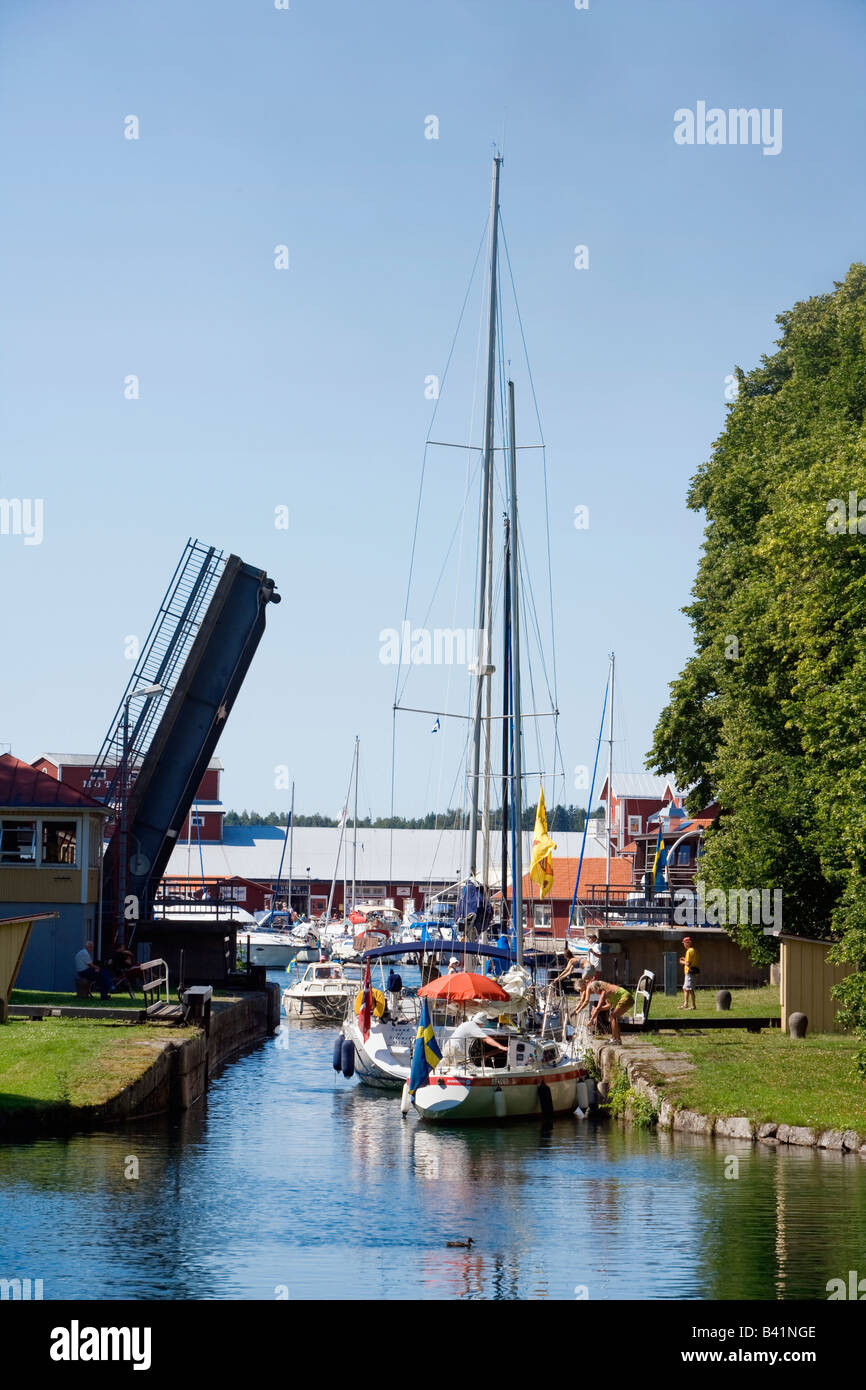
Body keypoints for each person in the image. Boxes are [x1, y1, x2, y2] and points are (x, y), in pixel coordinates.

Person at [443, 1011, 508, 1063]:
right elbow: (486, 1039)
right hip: (456, 1051)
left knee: (448, 1070)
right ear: (481, 1023)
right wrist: (501, 1047)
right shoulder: (474, 1027)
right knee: (464, 1068)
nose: (482, 1026)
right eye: (483, 1024)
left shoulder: (465, 1024)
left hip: (447, 1048)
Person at [588, 978, 634, 1044]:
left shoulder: (604, 992)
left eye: (593, 990)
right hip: (628, 998)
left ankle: (615, 1039)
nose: (594, 992)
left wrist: (591, 1020)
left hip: (626, 998)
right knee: (613, 1016)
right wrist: (596, 1009)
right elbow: (608, 1006)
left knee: (613, 1015)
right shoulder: (606, 990)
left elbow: (599, 1007)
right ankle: (617, 1039)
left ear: (596, 988)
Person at [679, 936, 700, 1010]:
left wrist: (681, 961)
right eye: (684, 943)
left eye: (685, 943)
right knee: (685, 988)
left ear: (688, 943)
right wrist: (685, 959)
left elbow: (687, 963)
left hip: (689, 972)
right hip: (692, 971)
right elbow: (692, 961)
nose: (684, 944)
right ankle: (685, 1004)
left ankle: (693, 1006)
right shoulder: (694, 950)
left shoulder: (689, 951)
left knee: (690, 989)